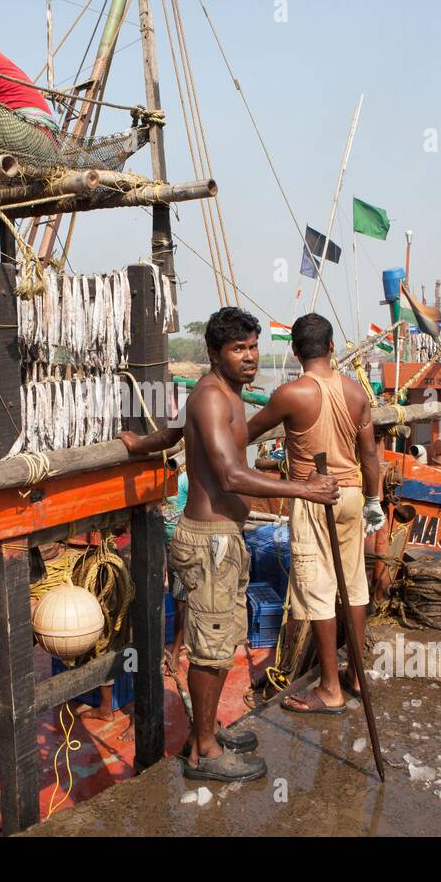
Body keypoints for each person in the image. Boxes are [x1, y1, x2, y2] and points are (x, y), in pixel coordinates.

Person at [119, 307, 339, 783]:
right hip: (210, 541)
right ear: (215, 354)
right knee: (210, 649)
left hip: (227, 538)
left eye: (253, 347)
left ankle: (207, 727)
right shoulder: (213, 398)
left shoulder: (227, 394)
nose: (250, 358)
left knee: (220, 642)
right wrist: (305, 488)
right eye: (238, 349)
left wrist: (140, 445)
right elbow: (230, 474)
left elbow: (174, 434)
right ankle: (203, 750)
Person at [243, 313, 384, 714]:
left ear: (294, 350)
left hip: (313, 495)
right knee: (354, 587)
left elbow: (246, 435)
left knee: (318, 590)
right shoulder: (357, 392)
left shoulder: (290, 394)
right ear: (332, 347)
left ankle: (331, 688)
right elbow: (370, 456)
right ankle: (356, 674)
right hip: (353, 493)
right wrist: (374, 502)